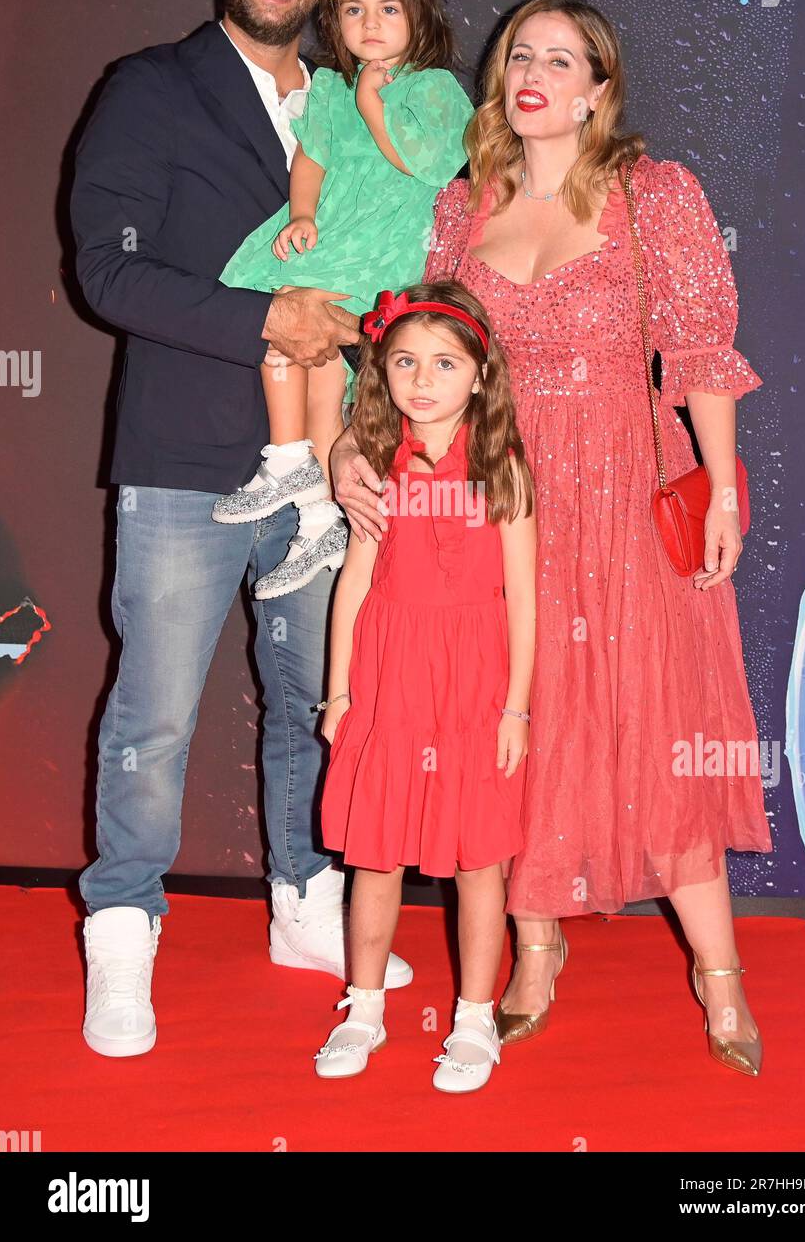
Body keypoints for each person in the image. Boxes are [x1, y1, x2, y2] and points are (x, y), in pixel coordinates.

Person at [331, 0, 772, 1078]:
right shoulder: (457, 205)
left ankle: (718, 975)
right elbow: (415, 351)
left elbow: (698, 354)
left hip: (624, 493)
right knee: (511, 722)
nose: (532, 70)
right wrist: (352, 446)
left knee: (650, 718)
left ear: (596, 89)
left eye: (560, 58)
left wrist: (719, 486)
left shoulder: (650, 195)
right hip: (498, 506)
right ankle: (532, 948)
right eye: (517, 53)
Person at [68, 0, 412, 1060]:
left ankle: (305, 906)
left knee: (319, 704)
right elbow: (106, 276)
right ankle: (121, 924)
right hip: (182, 458)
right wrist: (267, 318)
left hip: (323, 459)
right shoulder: (149, 88)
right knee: (154, 716)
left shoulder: (354, 106)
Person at [313, 281, 537, 1092]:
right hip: (391, 671)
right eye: (405, 360)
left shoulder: (502, 467)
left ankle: (475, 1020)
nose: (422, 378)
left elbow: (525, 595)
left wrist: (516, 704)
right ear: (383, 371)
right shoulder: (376, 463)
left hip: (476, 678)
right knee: (375, 853)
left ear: (479, 375)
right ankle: (363, 1009)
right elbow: (355, 581)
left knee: (480, 857)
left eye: (445, 362)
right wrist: (338, 695)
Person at [212, 0, 474, 602]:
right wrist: (302, 214)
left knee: (304, 325)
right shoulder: (330, 87)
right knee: (299, 337)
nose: (370, 25)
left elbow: (428, 162)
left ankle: (298, 469)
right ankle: (313, 494)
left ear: (420, 14)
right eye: (354, 10)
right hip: (334, 230)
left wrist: (376, 107)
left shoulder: (435, 89)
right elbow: (312, 161)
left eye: (388, 9)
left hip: (385, 244)